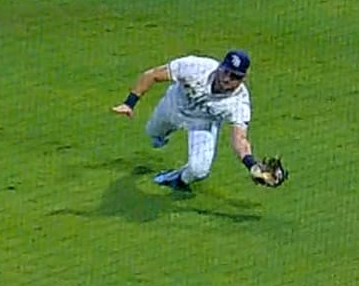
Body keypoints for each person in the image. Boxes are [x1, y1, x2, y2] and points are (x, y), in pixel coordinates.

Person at [110, 49, 274, 191]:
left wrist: (251, 164)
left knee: (199, 170)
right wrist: (129, 103)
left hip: (202, 123)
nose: (227, 79)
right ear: (220, 66)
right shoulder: (196, 66)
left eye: (235, 77)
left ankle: (176, 180)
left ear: (243, 78)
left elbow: (240, 139)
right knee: (152, 132)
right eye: (226, 71)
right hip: (173, 105)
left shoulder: (239, 102)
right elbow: (152, 75)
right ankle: (161, 136)